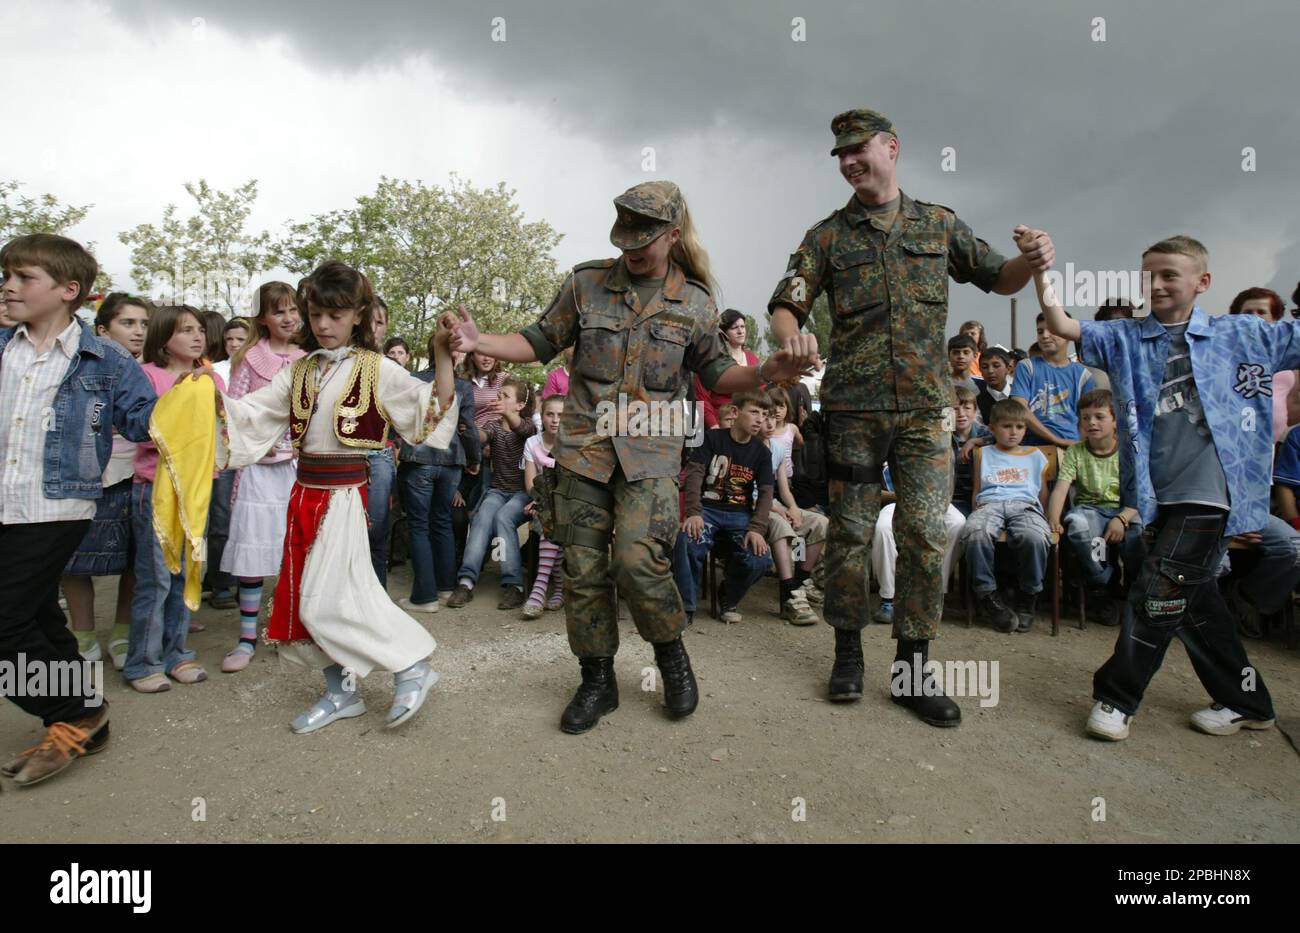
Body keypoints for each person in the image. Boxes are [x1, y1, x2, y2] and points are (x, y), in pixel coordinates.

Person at [448, 180, 814, 734]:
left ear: (672, 234)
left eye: (645, 239)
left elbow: (719, 373)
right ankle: (597, 680)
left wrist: (767, 372)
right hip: (584, 452)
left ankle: (670, 655)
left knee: (638, 562)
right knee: (585, 569)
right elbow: (539, 340)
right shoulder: (586, 283)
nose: (632, 249)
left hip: (652, 456)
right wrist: (481, 342)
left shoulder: (694, 301)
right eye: (626, 238)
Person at [766, 108, 1053, 726]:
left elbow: (999, 278)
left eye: (858, 150)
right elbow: (786, 304)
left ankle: (911, 670)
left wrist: (1032, 260)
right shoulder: (826, 236)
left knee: (925, 532)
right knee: (848, 533)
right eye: (840, 155)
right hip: (852, 413)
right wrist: (790, 339)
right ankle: (848, 655)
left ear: (891, 148)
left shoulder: (938, 224)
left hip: (926, 411)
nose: (848, 162)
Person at [1034, 235, 1290, 741]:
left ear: (1203, 282)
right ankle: (1248, 701)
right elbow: (1063, 326)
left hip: (1210, 491)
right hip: (1154, 494)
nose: (1158, 284)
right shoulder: (1124, 336)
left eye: (1171, 274)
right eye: (1149, 275)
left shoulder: (1242, 333)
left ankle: (1116, 697)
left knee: (1158, 589)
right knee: (1193, 601)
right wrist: (1042, 270)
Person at [205, 260, 457, 733]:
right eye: (316, 313)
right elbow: (249, 415)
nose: (323, 324)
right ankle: (342, 693)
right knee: (303, 599)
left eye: (335, 315)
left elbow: (430, 415)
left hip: (344, 495)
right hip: (302, 494)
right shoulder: (299, 371)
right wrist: (204, 398)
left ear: (359, 314)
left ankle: (411, 667)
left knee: (330, 600)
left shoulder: (377, 368)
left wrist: (443, 355)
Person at [0, 235, 156, 787]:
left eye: (25, 278)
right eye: (7, 275)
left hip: (55, 503)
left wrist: (191, 407)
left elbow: (145, 422)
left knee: (7, 621)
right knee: (38, 615)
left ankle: (71, 715)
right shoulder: (2, 344)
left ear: (69, 291)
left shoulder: (105, 357)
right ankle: (86, 714)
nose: (10, 286)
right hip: (2, 498)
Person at [125, 305, 224, 692]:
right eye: (185, 330)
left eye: (199, 329)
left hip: (196, 490)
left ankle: (177, 653)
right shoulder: (145, 376)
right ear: (163, 337)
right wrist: (183, 393)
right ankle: (142, 662)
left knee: (186, 573)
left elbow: (221, 425)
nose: (197, 336)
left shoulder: (210, 378)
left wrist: (206, 389)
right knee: (156, 579)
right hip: (155, 489)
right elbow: (144, 428)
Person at [60, 293, 152, 670]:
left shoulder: (152, 370)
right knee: (75, 560)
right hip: (88, 474)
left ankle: (122, 632)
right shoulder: (77, 364)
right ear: (101, 330)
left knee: (134, 559)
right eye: (127, 323)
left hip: (138, 472)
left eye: (144, 324)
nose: (139, 331)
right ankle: (83, 637)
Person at [216, 283, 305, 672]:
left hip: (299, 469)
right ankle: (247, 637)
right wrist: (256, 444)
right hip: (256, 472)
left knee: (298, 550)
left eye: (293, 311)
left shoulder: (310, 359)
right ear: (263, 318)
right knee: (253, 553)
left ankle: (291, 629)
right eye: (278, 311)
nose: (288, 318)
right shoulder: (250, 359)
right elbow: (233, 412)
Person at [873, 384, 984, 624]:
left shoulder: (941, 433)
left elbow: (994, 432)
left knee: (958, 522)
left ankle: (934, 592)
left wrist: (974, 441)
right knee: (883, 528)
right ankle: (889, 598)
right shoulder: (886, 434)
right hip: (895, 499)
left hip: (935, 500)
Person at [396, 331, 480, 613]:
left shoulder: (415, 380)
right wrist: (474, 458)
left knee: (419, 525)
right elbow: (467, 427)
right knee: (442, 522)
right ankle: (445, 588)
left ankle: (425, 597)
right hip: (452, 461)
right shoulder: (464, 387)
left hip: (418, 460)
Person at [676, 391, 776, 625]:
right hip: (707, 510)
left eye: (764, 414)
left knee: (759, 559)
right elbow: (694, 474)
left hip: (739, 515)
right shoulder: (713, 439)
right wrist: (693, 512)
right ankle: (686, 607)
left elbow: (765, 493)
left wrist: (757, 529)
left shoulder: (762, 452)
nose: (760, 419)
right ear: (735, 412)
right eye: (754, 412)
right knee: (687, 542)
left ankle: (728, 597)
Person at [1045, 388, 1143, 625]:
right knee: (1077, 527)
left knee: (1136, 537)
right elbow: (1061, 488)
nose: (1092, 423)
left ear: (1115, 421)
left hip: (1125, 509)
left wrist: (1121, 519)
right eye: (1086, 417)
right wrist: (1054, 519)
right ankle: (1102, 584)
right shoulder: (1076, 452)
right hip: (1090, 511)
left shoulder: (1129, 451)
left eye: (1099, 416)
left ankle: (1136, 590)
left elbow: (1142, 495)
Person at [960, 397, 1052, 633]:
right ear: (992, 428)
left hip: (1025, 505)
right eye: (1007, 426)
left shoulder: (1035, 455)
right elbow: (978, 490)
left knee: (1034, 536)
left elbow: (1042, 492)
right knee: (975, 533)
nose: (1013, 432)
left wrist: (1047, 518)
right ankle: (987, 594)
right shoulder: (983, 453)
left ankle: (1028, 594)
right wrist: (976, 512)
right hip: (990, 503)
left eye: (1019, 427)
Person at [445, 376, 536, 610]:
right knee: (481, 518)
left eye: (505, 397)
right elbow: (482, 436)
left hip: (522, 494)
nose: (499, 400)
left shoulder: (528, 427)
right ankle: (465, 582)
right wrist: (469, 429)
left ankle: (514, 585)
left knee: (503, 518)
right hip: (498, 490)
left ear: (519, 405)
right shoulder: (493, 426)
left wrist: (507, 413)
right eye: (498, 395)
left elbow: (520, 427)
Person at [1011, 311, 1094, 447]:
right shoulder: (1027, 367)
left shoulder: (1084, 375)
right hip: (1033, 446)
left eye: (1052, 330)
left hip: (1071, 447)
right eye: (1040, 331)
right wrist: (1056, 440)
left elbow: (1088, 417)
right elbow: (1019, 407)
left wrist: (1079, 446)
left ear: (1068, 334)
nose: (1045, 336)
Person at [1229, 287, 1294, 442]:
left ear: (1275, 318)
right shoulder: (1224, 354)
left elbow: (1295, 400)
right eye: (1248, 312)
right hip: (1235, 444)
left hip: (1275, 447)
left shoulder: (1289, 354)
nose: (1254, 317)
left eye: (1261, 311)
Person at [521, 394, 566, 619]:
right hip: (542, 502)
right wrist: (539, 500)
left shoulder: (573, 445)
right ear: (543, 416)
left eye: (561, 415)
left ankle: (539, 589)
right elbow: (530, 484)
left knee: (551, 518)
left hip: (568, 503)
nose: (555, 420)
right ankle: (558, 588)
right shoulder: (532, 443)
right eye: (550, 414)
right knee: (546, 517)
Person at [694, 309, 761, 429]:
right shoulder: (712, 358)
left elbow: (761, 394)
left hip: (747, 428)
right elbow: (701, 398)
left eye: (742, 326)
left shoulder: (752, 359)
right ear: (723, 333)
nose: (740, 331)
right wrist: (714, 426)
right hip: (718, 426)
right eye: (734, 328)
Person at [975, 345, 1013, 424]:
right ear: (980, 371)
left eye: (996, 366)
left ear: (1008, 369)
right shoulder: (977, 401)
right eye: (985, 367)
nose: (990, 371)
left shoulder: (1020, 396)